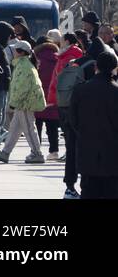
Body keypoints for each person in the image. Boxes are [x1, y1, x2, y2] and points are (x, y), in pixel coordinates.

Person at [69, 49, 118, 198]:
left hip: (87, 150)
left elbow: (73, 120)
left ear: (95, 66)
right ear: (115, 68)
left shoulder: (80, 89)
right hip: (113, 154)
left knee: (89, 192)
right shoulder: (115, 91)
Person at [0, 40, 47, 164]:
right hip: (24, 102)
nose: (13, 52)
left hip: (24, 103)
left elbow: (22, 87)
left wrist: (15, 102)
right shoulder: (25, 64)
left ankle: (37, 153)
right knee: (15, 128)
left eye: (15, 50)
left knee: (29, 128)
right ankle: (5, 153)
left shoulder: (23, 66)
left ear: (20, 52)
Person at [51, 32, 87, 198]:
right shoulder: (82, 58)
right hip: (81, 110)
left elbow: (55, 81)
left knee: (71, 148)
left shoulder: (63, 58)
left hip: (65, 105)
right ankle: (84, 185)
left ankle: (70, 186)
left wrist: (54, 100)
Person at [33, 32, 63, 161]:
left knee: (37, 125)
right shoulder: (58, 57)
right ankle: (54, 151)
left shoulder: (35, 58)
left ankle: (36, 150)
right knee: (52, 125)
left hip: (38, 94)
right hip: (53, 94)